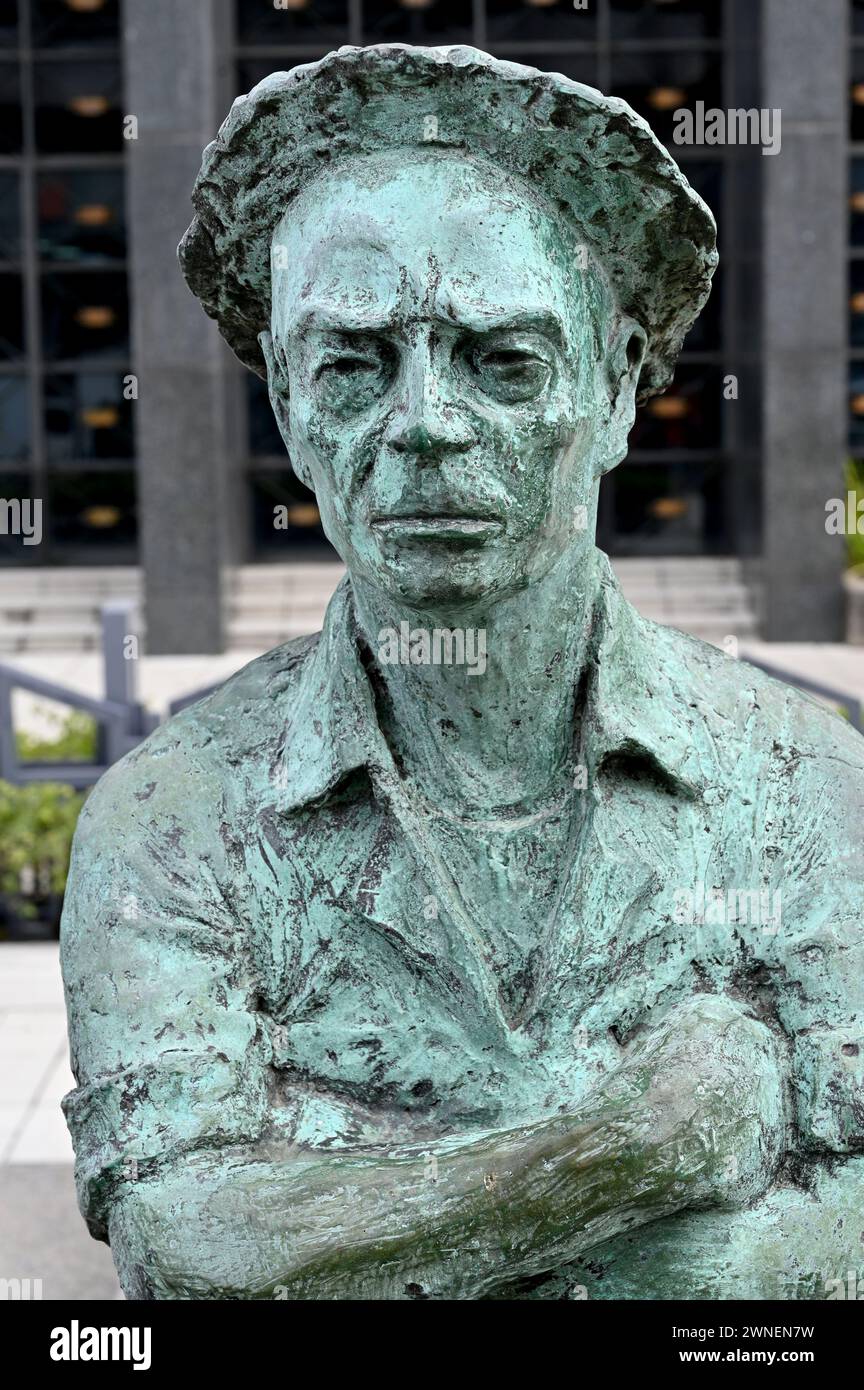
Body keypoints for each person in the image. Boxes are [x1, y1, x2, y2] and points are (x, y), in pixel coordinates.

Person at [61, 45, 864, 1300]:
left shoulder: (814, 795)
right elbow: (191, 1250)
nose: (426, 424)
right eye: (354, 364)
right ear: (284, 400)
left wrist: (370, 1237)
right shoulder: (171, 823)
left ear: (612, 386)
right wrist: (634, 1152)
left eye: (503, 362)